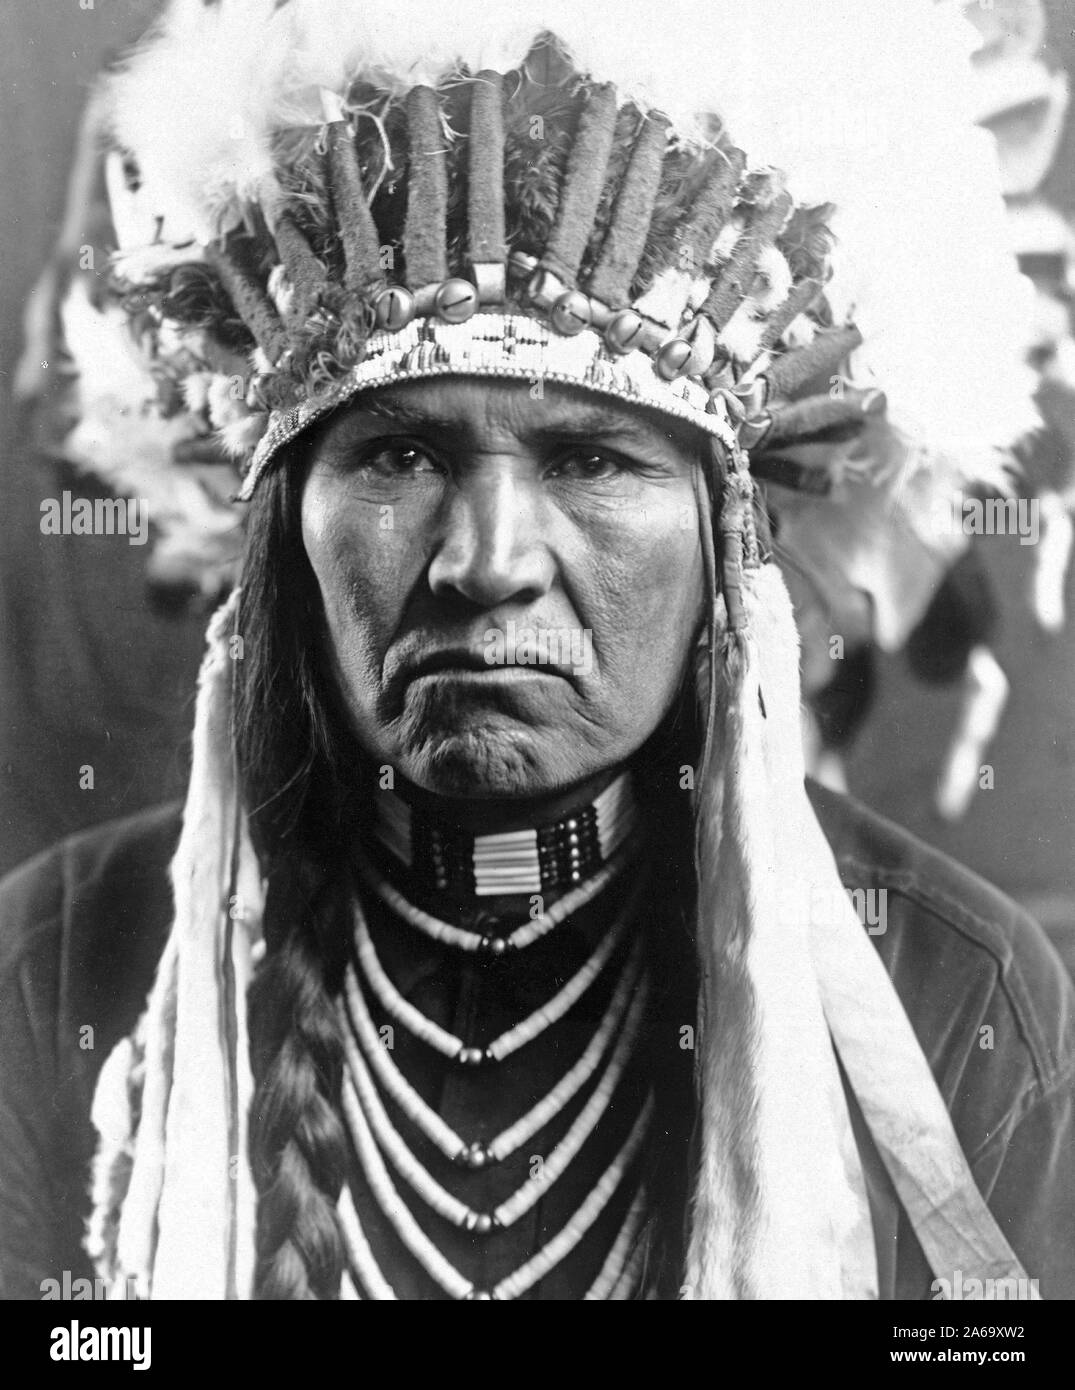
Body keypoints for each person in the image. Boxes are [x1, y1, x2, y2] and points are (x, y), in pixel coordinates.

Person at [1, 0, 1072, 1302]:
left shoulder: (962, 991)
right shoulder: (55, 959)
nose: (486, 558)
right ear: (282, 526)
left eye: (587, 457)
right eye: (401, 453)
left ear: (730, 540)